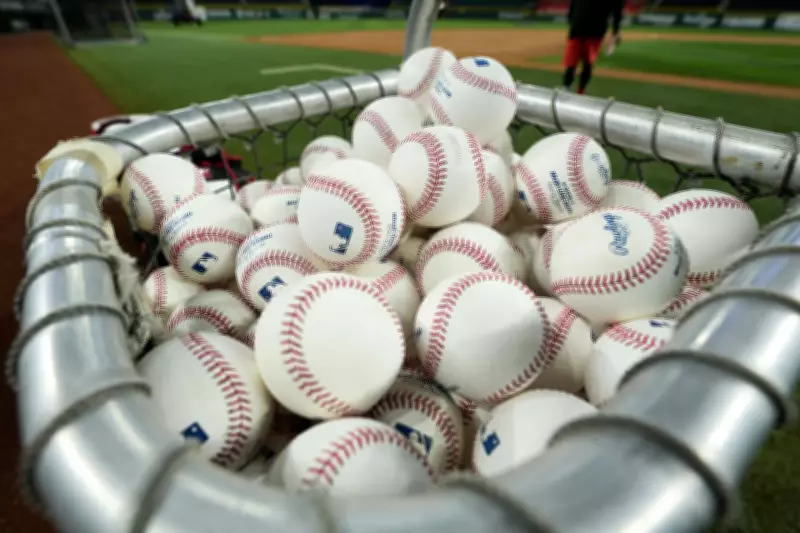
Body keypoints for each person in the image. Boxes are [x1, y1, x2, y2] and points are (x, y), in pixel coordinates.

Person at [562, 0, 624, 95]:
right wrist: (615, 31)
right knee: (577, 62)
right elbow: (617, 13)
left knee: (585, 63)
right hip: (584, 30)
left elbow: (617, 12)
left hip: (588, 32)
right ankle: (570, 88)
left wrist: (615, 31)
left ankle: (576, 89)